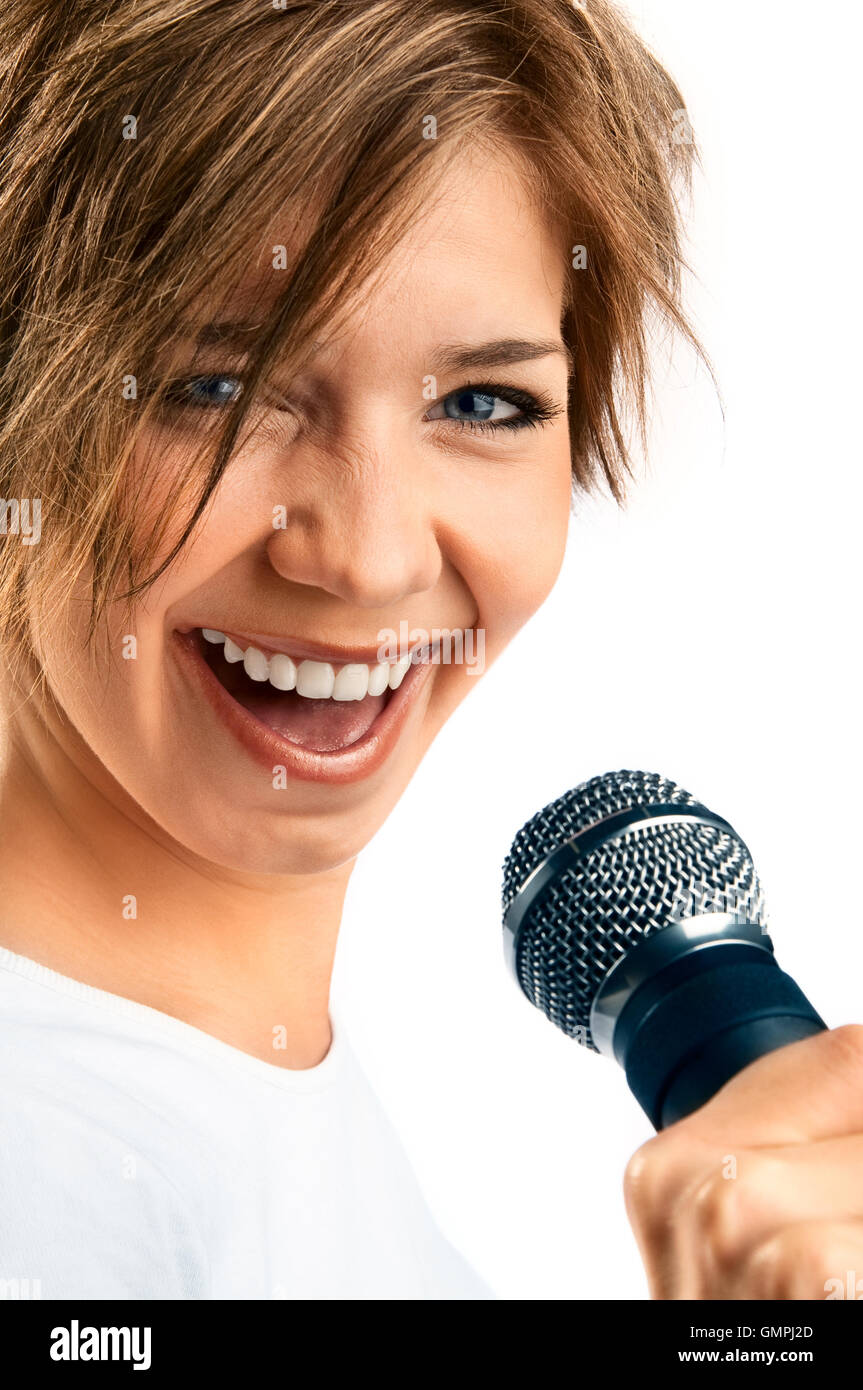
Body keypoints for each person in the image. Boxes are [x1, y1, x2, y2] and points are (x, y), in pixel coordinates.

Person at [1, 0, 860, 1302]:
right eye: (215, 389)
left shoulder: (225, 1103)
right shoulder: (49, 1186)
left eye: (482, 402)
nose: (370, 558)